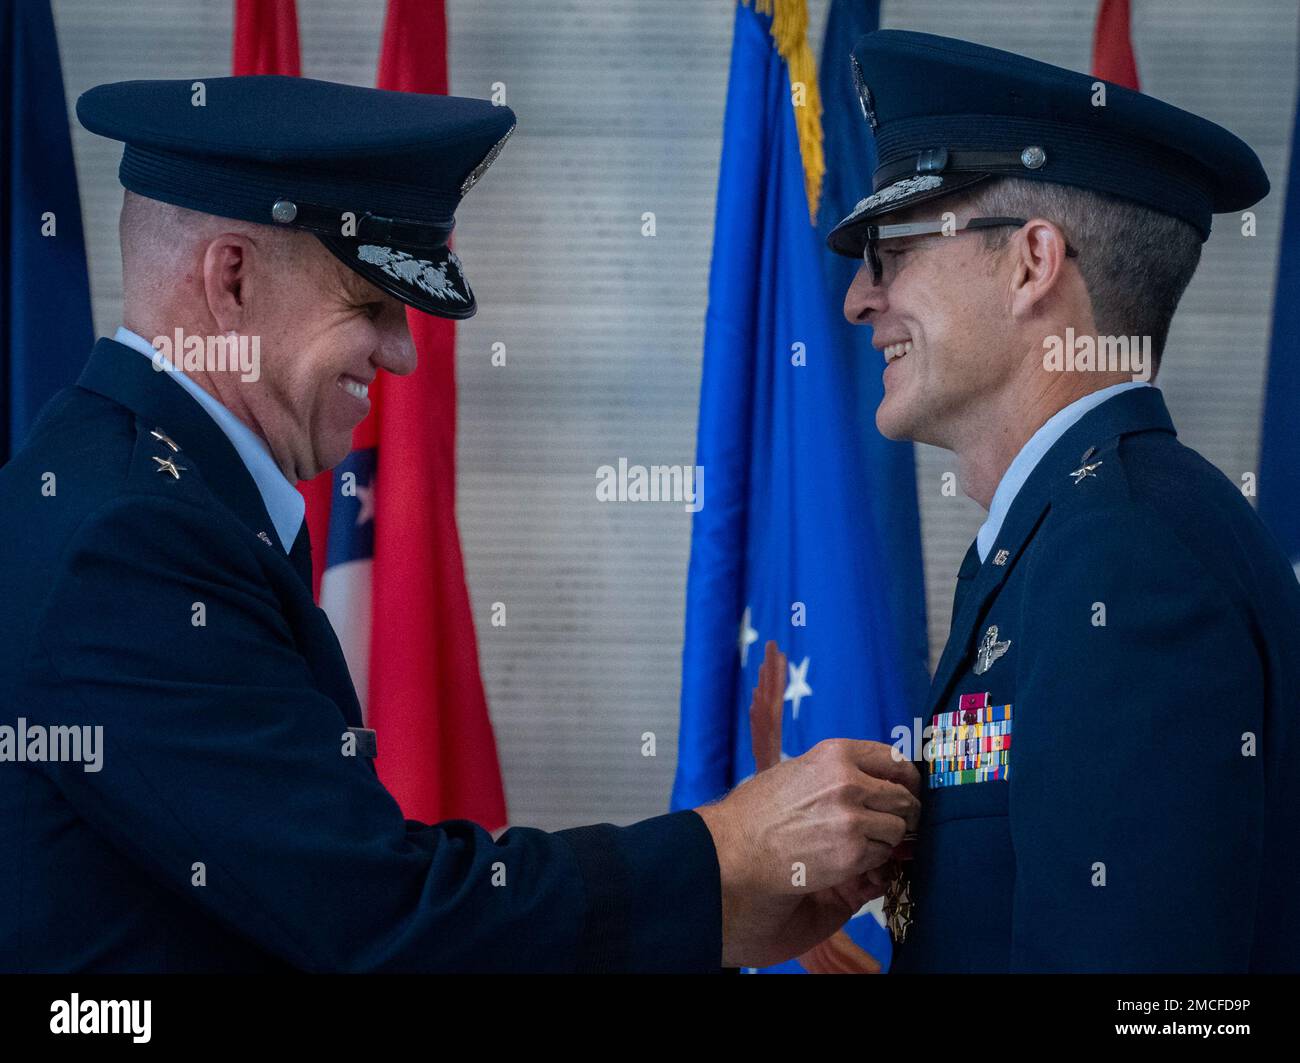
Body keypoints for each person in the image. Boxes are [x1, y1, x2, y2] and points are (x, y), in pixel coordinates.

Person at [0, 75, 920, 972]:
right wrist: (720, 853)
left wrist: (713, 913)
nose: (400, 353)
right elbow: (374, 917)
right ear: (231, 281)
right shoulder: (133, 540)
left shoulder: (141, 486)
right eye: (370, 303)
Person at [826, 30, 1300, 972]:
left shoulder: (1127, 558)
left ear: (1031, 263)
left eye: (889, 250)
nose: (856, 299)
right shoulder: (1066, 530)